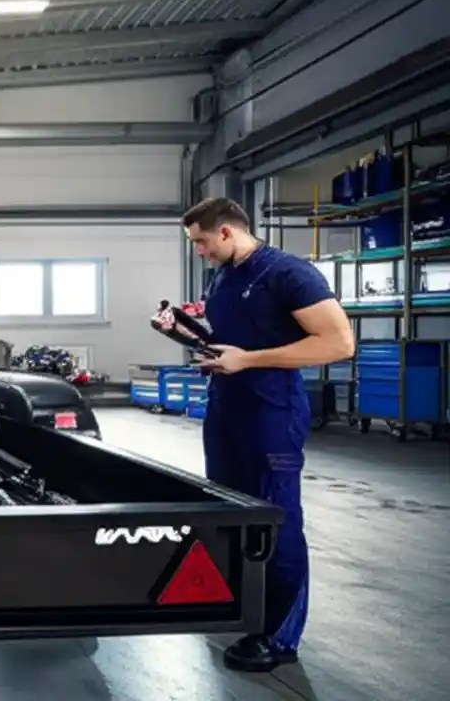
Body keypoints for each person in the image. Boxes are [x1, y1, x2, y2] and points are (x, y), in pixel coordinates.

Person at [181, 197, 355, 673]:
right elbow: (233, 338)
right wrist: (184, 330)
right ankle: (242, 607)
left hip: (271, 412)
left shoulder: (289, 273)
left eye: (200, 242)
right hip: (228, 407)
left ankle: (279, 636)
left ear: (226, 232)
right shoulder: (224, 275)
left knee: (276, 518)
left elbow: (339, 343)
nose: (198, 252)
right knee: (230, 510)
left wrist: (249, 361)